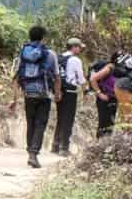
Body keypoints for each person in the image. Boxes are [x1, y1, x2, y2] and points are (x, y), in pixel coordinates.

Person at [11, 25, 60, 168]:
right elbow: (57, 76)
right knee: (40, 124)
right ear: (43, 38)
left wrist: (14, 98)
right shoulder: (50, 54)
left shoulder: (23, 52)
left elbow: (16, 76)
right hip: (44, 94)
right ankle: (33, 153)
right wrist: (57, 93)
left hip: (28, 93)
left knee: (31, 123)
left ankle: (30, 152)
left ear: (30, 36)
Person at [51, 37, 85, 156]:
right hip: (70, 92)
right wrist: (85, 89)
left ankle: (55, 145)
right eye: (79, 47)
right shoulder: (75, 60)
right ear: (74, 47)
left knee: (60, 118)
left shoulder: (58, 58)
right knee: (68, 119)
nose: (80, 50)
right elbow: (81, 78)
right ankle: (64, 148)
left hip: (59, 91)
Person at [89, 53, 119, 137]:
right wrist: (100, 94)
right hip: (104, 98)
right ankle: (99, 144)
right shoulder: (110, 67)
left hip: (113, 98)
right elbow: (93, 79)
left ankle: (106, 145)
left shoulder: (120, 69)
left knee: (110, 123)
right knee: (103, 123)